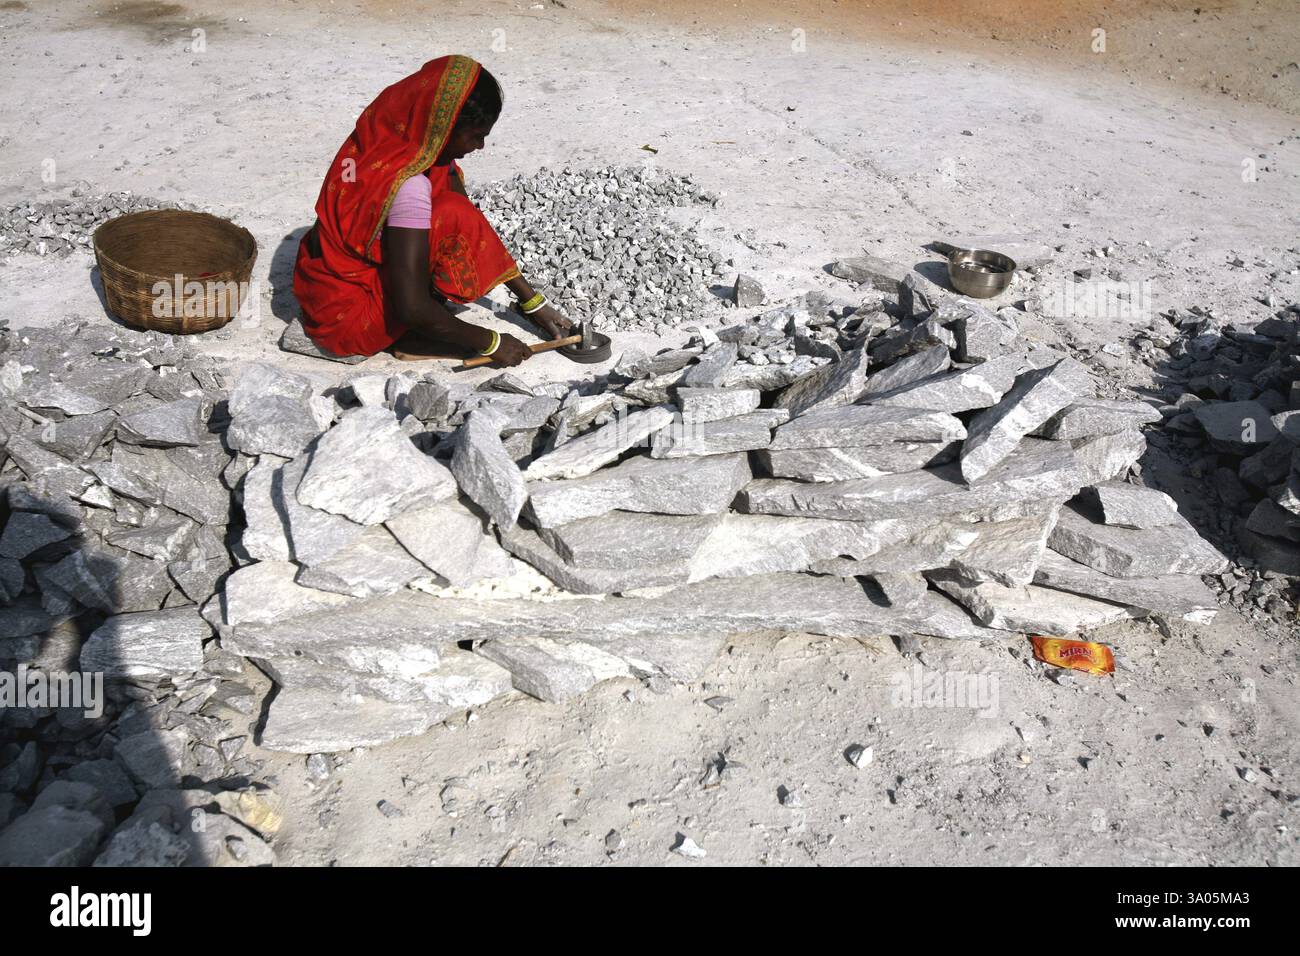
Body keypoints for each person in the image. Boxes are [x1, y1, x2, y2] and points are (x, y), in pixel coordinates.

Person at [293, 54, 571, 366]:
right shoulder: (407, 186)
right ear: (445, 126)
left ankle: (423, 322)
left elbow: (470, 222)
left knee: (456, 212)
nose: (480, 146)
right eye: (476, 135)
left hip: (321, 281)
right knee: (449, 217)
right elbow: (412, 306)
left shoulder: (400, 142)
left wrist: (532, 303)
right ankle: (408, 338)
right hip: (346, 317)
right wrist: (491, 343)